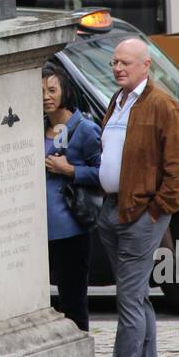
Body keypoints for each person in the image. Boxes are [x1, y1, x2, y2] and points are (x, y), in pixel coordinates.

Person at [97, 37, 179, 357]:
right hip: (112, 210)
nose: (118, 68)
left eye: (125, 63)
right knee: (137, 298)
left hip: (140, 214)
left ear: (145, 65)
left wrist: (156, 211)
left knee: (128, 301)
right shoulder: (118, 100)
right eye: (114, 63)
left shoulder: (162, 105)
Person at [42, 64, 102, 332]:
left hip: (71, 231)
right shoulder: (30, 127)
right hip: (35, 234)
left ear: (65, 90)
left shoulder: (85, 129)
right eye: (40, 91)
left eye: (52, 90)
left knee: (73, 302)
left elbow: (105, 174)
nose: (46, 96)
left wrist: (70, 170)